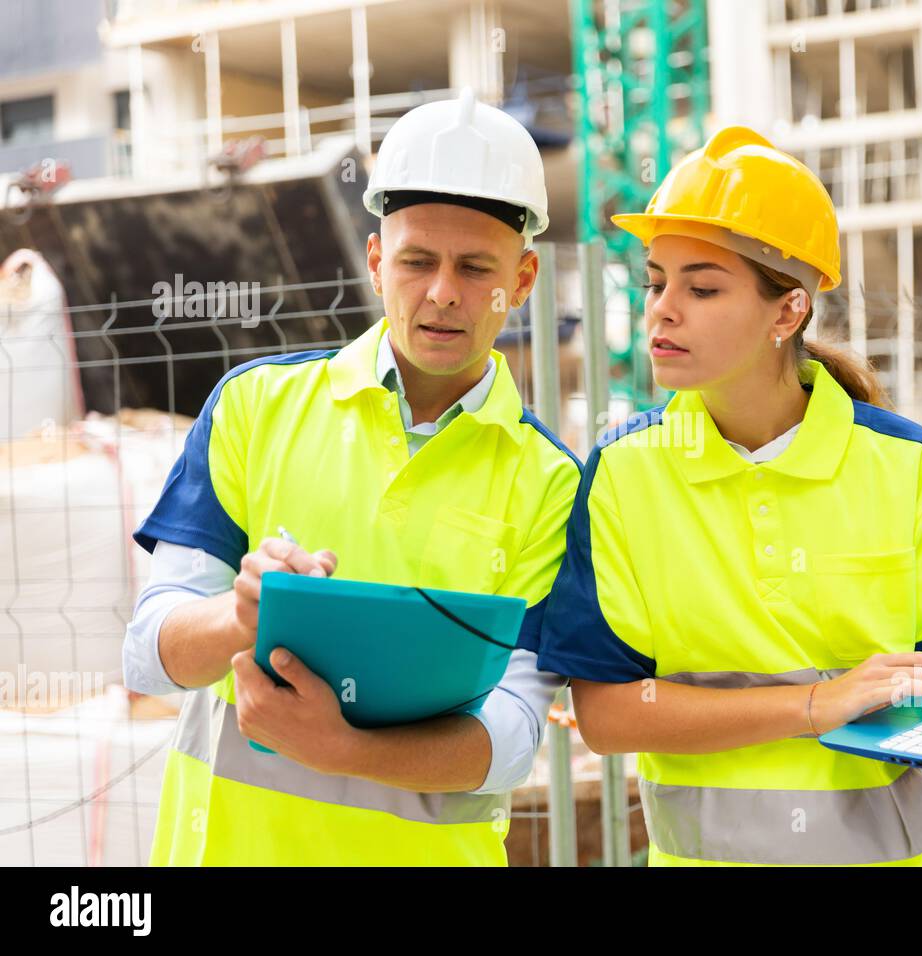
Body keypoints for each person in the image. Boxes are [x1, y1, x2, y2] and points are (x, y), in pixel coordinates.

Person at [536, 126, 922, 866]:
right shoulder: (621, 474)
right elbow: (609, 714)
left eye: (701, 286)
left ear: (788, 312)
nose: (662, 309)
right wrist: (812, 706)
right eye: (656, 280)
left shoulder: (905, 464)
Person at [122, 89, 580, 866]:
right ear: (375, 262)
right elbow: (147, 652)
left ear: (524, 278)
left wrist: (348, 750)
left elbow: (516, 732)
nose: (442, 292)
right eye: (416, 261)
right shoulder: (255, 408)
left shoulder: (551, 484)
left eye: (475, 268)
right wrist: (242, 618)